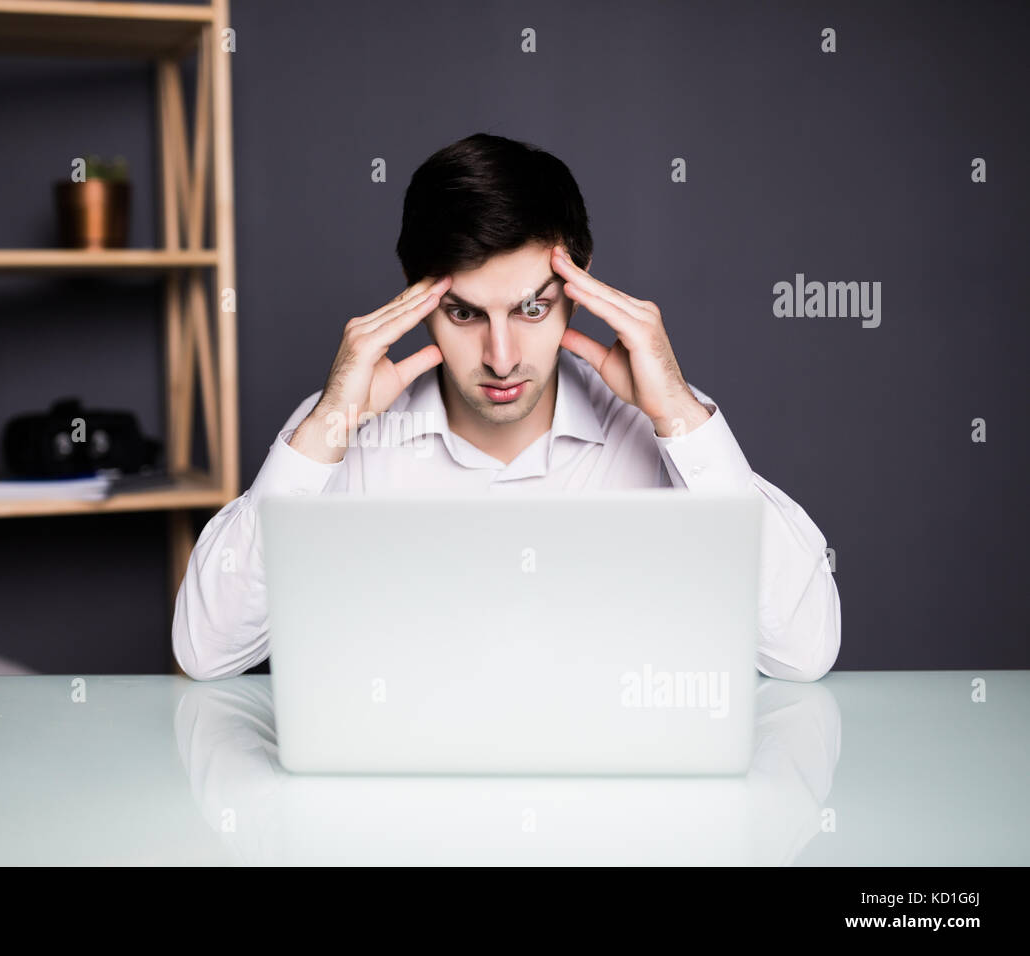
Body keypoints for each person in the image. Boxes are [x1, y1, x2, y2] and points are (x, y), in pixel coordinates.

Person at [172, 132, 840, 682]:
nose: (500, 356)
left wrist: (681, 419)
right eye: (464, 313)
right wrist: (324, 429)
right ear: (417, 302)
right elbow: (207, 653)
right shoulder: (338, 434)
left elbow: (803, 652)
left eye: (531, 308)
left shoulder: (668, 431)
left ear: (576, 294)